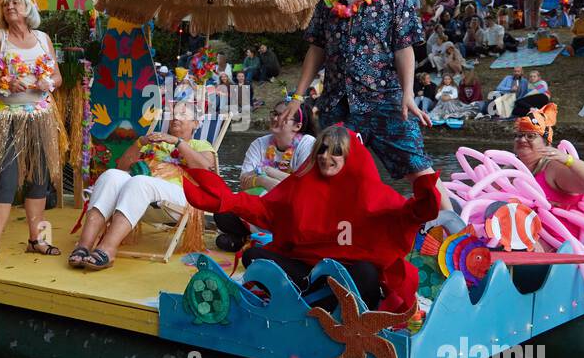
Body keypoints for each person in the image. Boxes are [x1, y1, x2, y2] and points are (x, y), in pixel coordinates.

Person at [183, 125, 442, 313]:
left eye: (336, 152)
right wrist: (224, 200)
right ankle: (314, 301)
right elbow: (266, 209)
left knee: (365, 272)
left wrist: (424, 198)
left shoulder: (371, 193)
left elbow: (407, 215)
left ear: (349, 157)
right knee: (254, 256)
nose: (326, 157)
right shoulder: (302, 186)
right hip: (310, 271)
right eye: (322, 150)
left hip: (350, 276)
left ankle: (349, 312)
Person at [286, 0, 434, 188]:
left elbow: (404, 49)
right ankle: (337, 228)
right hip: (338, 104)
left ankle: (455, 225)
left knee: (419, 170)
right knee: (332, 177)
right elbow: (316, 50)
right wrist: (297, 98)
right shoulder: (329, 0)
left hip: (386, 101)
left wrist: (408, 93)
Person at [0, 0, 63, 268]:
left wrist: (49, 83)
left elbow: (57, 77)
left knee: (39, 179)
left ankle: (36, 239)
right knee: (5, 181)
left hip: (39, 117)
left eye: (16, 3)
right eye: (6, 5)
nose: (10, 8)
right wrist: (4, 82)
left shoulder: (43, 39)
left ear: (29, 7)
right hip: (7, 118)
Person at [69, 100, 215, 270]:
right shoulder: (156, 142)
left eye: (183, 115)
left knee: (139, 182)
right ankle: (84, 245)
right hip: (140, 193)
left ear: (195, 123)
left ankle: (107, 249)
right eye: (173, 114)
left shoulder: (200, 145)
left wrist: (177, 142)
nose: (176, 118)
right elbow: (122, 167)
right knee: (111, 176)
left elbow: (207, 170)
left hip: (181, 195)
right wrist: (140, 143)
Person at [213, 100, 317, 251]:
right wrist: (265, 180)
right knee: (222, 213)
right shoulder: (259, 144)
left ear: (297, 126)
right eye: (274, 114)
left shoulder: (307, 144)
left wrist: (266, 174)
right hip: (262, 210)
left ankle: (251, 240)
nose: (275, 118)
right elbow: (243, 182)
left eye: (282, 116)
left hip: (292, 215)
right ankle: (254, 239)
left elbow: (302, 187)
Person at [511, 104, 584, 240]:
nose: (522, 139)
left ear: (546, 143)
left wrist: (568, 160)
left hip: (557, 247)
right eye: (518, 136)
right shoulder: (509, 170)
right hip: (512, 241)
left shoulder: (553, 168)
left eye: (531, 136)